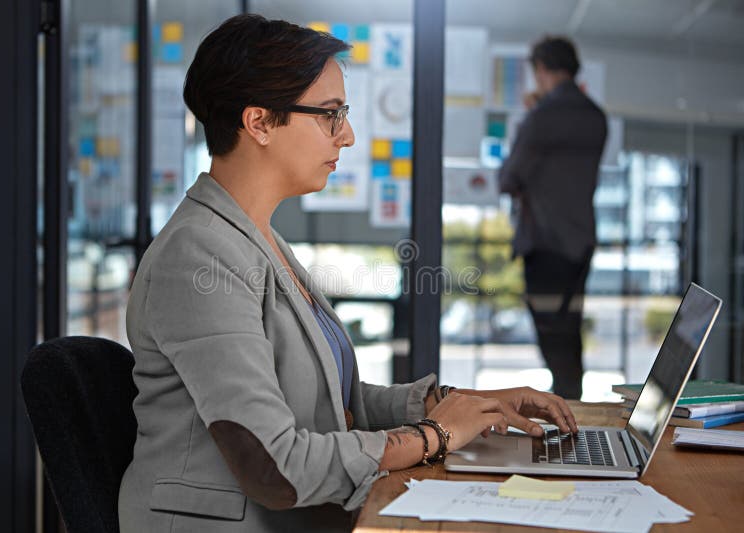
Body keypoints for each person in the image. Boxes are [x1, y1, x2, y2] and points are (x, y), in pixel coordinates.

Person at [118, 15, 578, 533]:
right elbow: (276, 465)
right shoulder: (198, 256)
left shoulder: (256, 237)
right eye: (330, 115)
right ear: (259, 122)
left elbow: (333, 406)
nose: (349, 136)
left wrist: (460, 405)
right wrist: (432, 437)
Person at [499, 36, 607, 400]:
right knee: (569, 334)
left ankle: (565, 413)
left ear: (541, 70)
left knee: (551, 335)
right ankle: (572, 406)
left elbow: (509, 178)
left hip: (545, 241)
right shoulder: (595, 116)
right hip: (580, 242)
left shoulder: (542, 116)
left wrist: (529, 117)